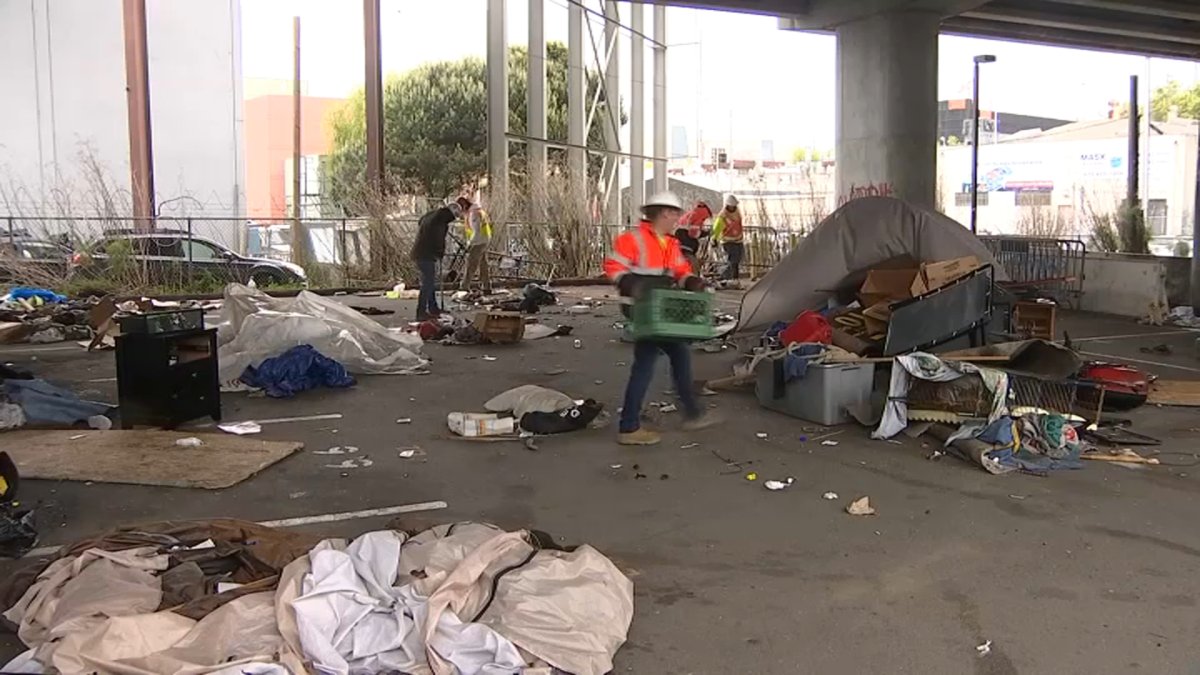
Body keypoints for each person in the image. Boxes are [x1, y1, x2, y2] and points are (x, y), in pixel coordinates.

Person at [604, 191, 717, 446]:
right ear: (665, 213)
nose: (678, 218)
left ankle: (689, 412)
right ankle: (631, 426)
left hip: (662, 310)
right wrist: (631, 283)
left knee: (675, 356)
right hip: (642, 310)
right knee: (650, 363)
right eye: (675, 213)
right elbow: (613, 266)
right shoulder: (633, 239)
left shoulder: (670, 243)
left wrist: (693, 281)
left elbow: (680, 271)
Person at [410, 196, 471, 320]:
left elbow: (421, 221)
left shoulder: (432, 215)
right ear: (452, 214)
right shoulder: (441, 221)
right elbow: (439, 239)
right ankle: (421, 312)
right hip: (426, 254)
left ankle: (433, 308)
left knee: (430, 282)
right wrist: (440, 252)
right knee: (427, 283)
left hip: (420, 252)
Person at [460, 202, 493, 293]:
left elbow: (476, 230)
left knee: (471, 264)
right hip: (484, 239)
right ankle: (486, 286)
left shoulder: (473, 214)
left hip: (478, 242)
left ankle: (464, 286)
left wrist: (470, 243)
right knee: (483, 265)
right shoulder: (479, 211)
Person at [674, 200, 713, 275]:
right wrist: (706, 233)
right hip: (687, 246)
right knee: (692, 266)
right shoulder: (699, 217)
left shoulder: (690, 214)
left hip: (679, 244)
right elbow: (694, 233)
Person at [712, 194, 744, 280]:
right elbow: (717, 228)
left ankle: (732, 278)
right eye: (731, 206)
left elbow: (739, 225)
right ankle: (728, 277)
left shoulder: (738, 213)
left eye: (734, 206)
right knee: (732, 261)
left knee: (736, 261)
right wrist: (714, 238)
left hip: (738, 240)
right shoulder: (722, 216)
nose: (732, 208)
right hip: (727, 241)